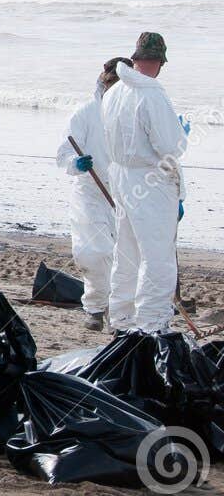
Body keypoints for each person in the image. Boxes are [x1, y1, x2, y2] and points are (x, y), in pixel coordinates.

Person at [101, 33, 189, 335]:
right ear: (159, 62)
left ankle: (121, 319)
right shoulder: (152, 94)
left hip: (121, 176)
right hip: (150, 181)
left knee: (126, 251)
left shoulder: (114, 92)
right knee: (157, 256)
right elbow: (170, 146)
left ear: (136, 58)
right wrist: (182, 134)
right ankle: (153, 324)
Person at [56, 58, 126, 331]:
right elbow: (64, 153)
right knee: (94, 252)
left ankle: (117, 312)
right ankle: (95, 307)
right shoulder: (84, 113)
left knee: (125, 255)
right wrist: (77, 163)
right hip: (90, 190)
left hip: (124, 191)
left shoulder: (132, 111)